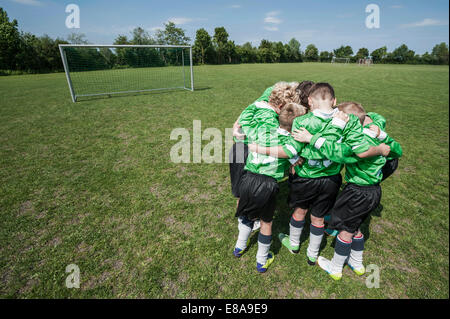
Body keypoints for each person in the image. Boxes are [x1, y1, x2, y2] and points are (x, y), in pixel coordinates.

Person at [233, 103, 307, 273]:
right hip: (267, 184)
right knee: (266, 222)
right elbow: (292, 152)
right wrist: (295, 159)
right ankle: (262, 259)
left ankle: (239, 247)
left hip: (247, 179)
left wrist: (255, 105)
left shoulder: (260, 130)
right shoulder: (291, 141)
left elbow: (243, 125)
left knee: (247, 216)